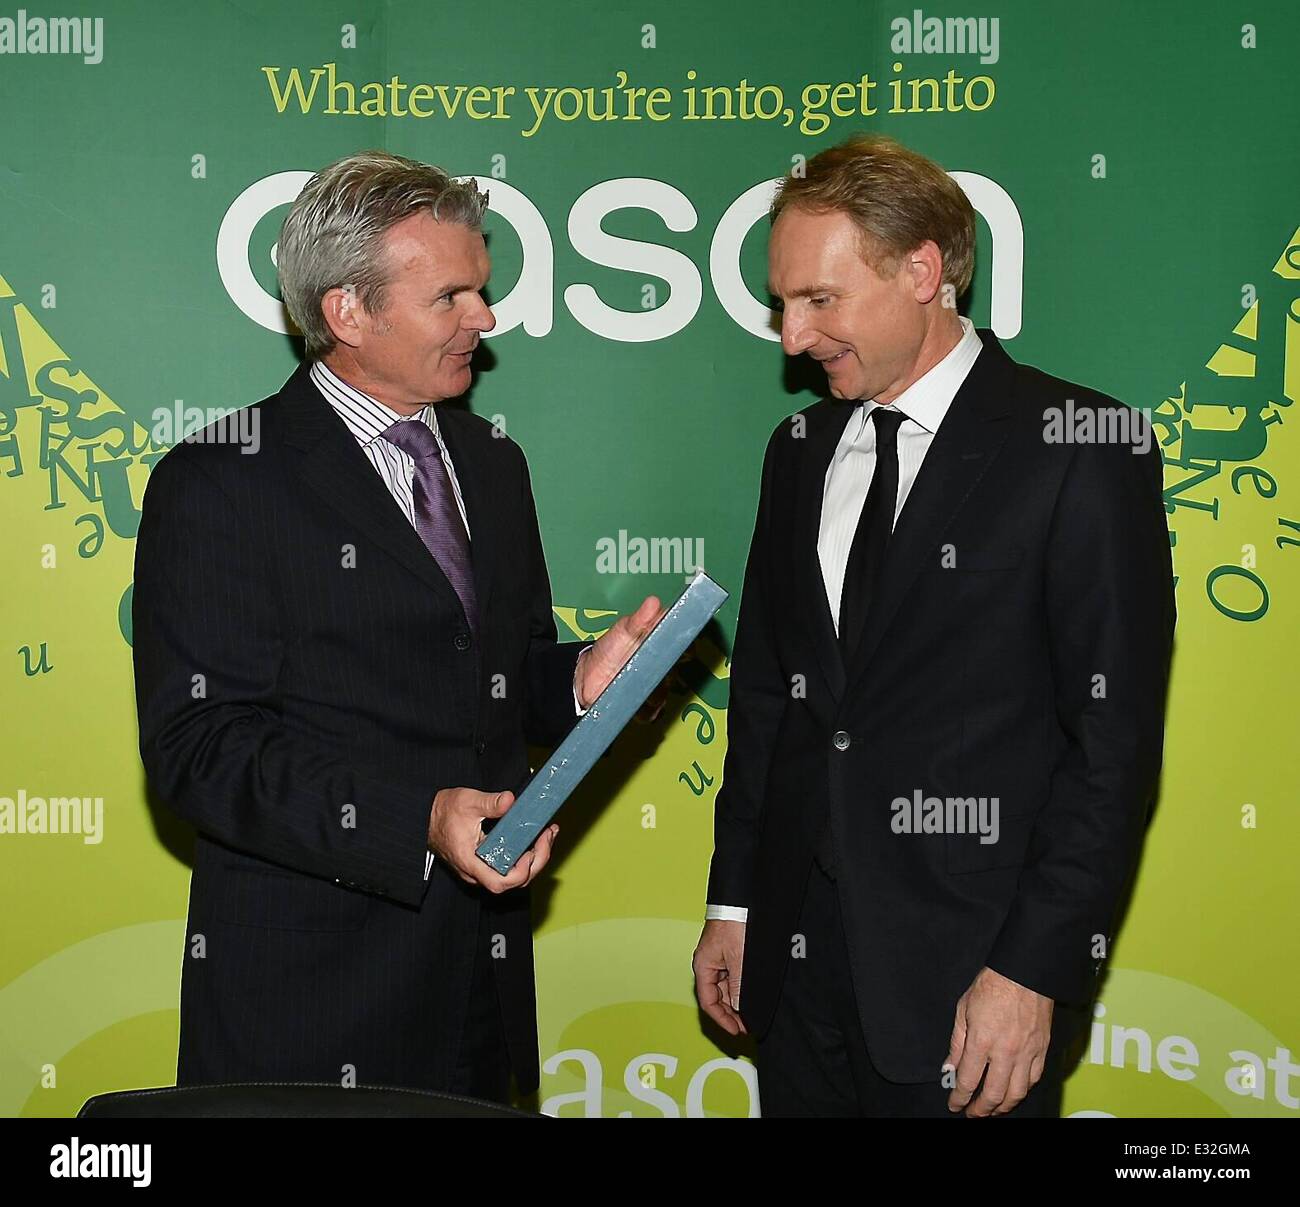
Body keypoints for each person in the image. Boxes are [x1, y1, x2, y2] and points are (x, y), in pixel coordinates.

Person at [133, 150, 661, 1103]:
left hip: (482, 994)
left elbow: (501, 677)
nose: (486, 319)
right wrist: (416, 819)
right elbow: (199, 748)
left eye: (483, 291)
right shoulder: (221, 479)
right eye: (451, 296)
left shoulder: (493, 462)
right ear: (347, 312)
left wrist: (583, 679)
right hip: (308, 1008)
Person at [693, 134, 1175, 1117]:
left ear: (923, 270)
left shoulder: (1079, 448)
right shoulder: (797, 449)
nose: (790, 337)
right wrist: (734, 904)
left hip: (972, 985)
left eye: (818, 300)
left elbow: (1110, 749)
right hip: (796, 977)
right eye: (781, 302)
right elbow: (769, 703)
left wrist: (1032, 972)